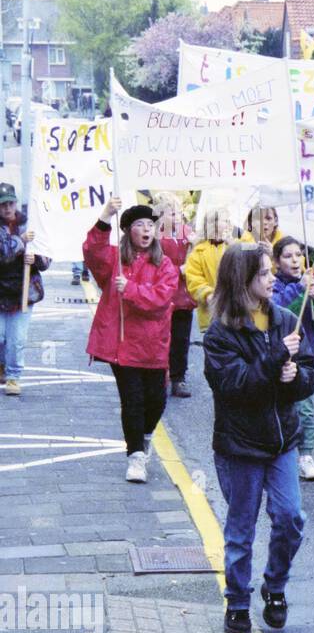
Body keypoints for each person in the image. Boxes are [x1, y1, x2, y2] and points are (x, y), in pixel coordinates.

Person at [203, 243, 314, 633]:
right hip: (240, 445)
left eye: (271, 272)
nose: (272, 279)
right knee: (241, 529)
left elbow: (308, 373)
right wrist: (272, 363)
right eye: (264, 274)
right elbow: (233, 386)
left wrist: (295, 378)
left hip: (282, 441)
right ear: (242, 280)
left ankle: (276, 585)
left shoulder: (286, 320)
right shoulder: (220, 333)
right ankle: (237, 600)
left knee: (290, 519)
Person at [84, 198, 178, 482]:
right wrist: (105, 216)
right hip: (122, 346)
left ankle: (144, 436)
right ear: (127, 230)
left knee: (157, 401)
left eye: (151, 224)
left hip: (154, 346)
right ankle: (135, 456)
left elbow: (162, 299)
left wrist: (132, 290)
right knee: (133, 401)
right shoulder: (115, 260)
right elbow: (92, 251)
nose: (146, 229)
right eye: (139, 224)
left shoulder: (165, 264)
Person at [271, 236, 314, 481]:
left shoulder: (312, 283)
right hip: (279, 356)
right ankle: (280, 453)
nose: (295, 260)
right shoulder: (274, 285)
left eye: (298, 254)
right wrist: (298, 291)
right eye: (288, 256)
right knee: (281, 406)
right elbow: (275, 308)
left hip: (306, 357)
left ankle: (306, 455)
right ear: (277, 261)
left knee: (306, 408)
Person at [156, 193, 198, 398]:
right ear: (160, 215)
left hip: (183, 297)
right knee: (162, 337)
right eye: (172, 213)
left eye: (179, 213)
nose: (177, 217)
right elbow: (155, 264)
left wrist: (195, 244)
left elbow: (198, 256)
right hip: (163, 296)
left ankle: (178, 377)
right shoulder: (156, 237)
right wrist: (177, 270)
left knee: (181, 339)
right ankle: (160, 374)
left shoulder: (187, 233)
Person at [0, 219, 45, 397]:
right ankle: (2, 363)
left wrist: (36, 259)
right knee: (1, 336)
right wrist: (20, 241)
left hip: (23, 294)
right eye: (3, 204)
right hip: (1, 292)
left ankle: (13, 376)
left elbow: (46, 259)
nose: (7, 208)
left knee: (17, 339)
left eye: (11, 203)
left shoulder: (33, 224)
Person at [185, 207, 234, 335]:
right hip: (210, 315)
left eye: (228, 221)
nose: (228, 224)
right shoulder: (199, 251)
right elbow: (194, 279)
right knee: (213, 351)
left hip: (234, 313)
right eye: (225, 221)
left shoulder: (234, 248)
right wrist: (207, 294)